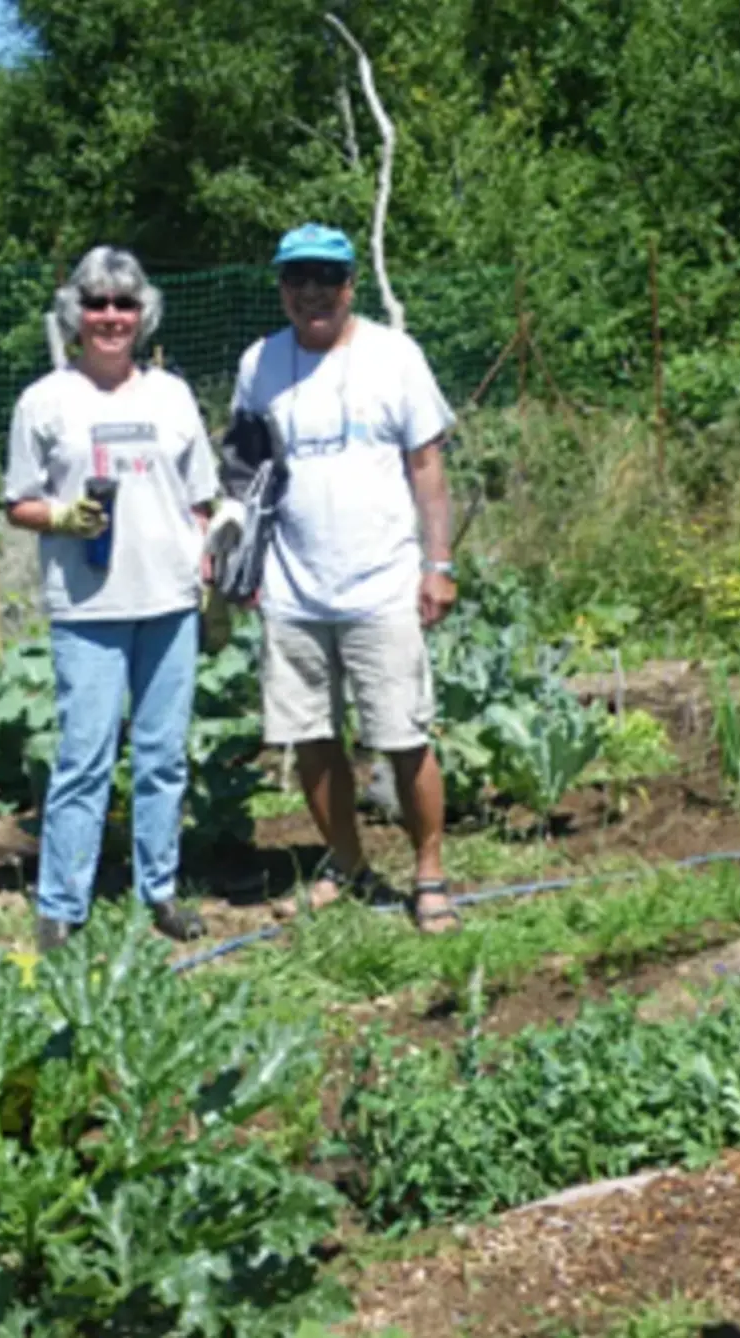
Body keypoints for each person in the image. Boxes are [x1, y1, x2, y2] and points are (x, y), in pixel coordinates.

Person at [217, 222, 461, 932]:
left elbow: (427, 467)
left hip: (382, 583)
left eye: (326, 277)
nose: (311, 291)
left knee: (403, 734)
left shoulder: (394, 356)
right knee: (312, 737)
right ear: (281, 288)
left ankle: (429, 875)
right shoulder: (260, 362)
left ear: (350, 285)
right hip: (293, 590)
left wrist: (438, 565)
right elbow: (246, 468)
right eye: (296, 278)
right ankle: (348, 866)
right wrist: (239, 559)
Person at [4, 245, 215, 951]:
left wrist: (205, 561)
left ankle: (161, 892)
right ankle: (62, 906)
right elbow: (18, 502)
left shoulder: (171, 396)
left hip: (168, 601)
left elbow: (200, 498)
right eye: (97, 303)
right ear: (76, 313)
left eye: (125, 303)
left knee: (163, 756)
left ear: (143, 312)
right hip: (89, 605)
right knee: (85, 758)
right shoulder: (45, 401)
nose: (111, 316)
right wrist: (62, 517)